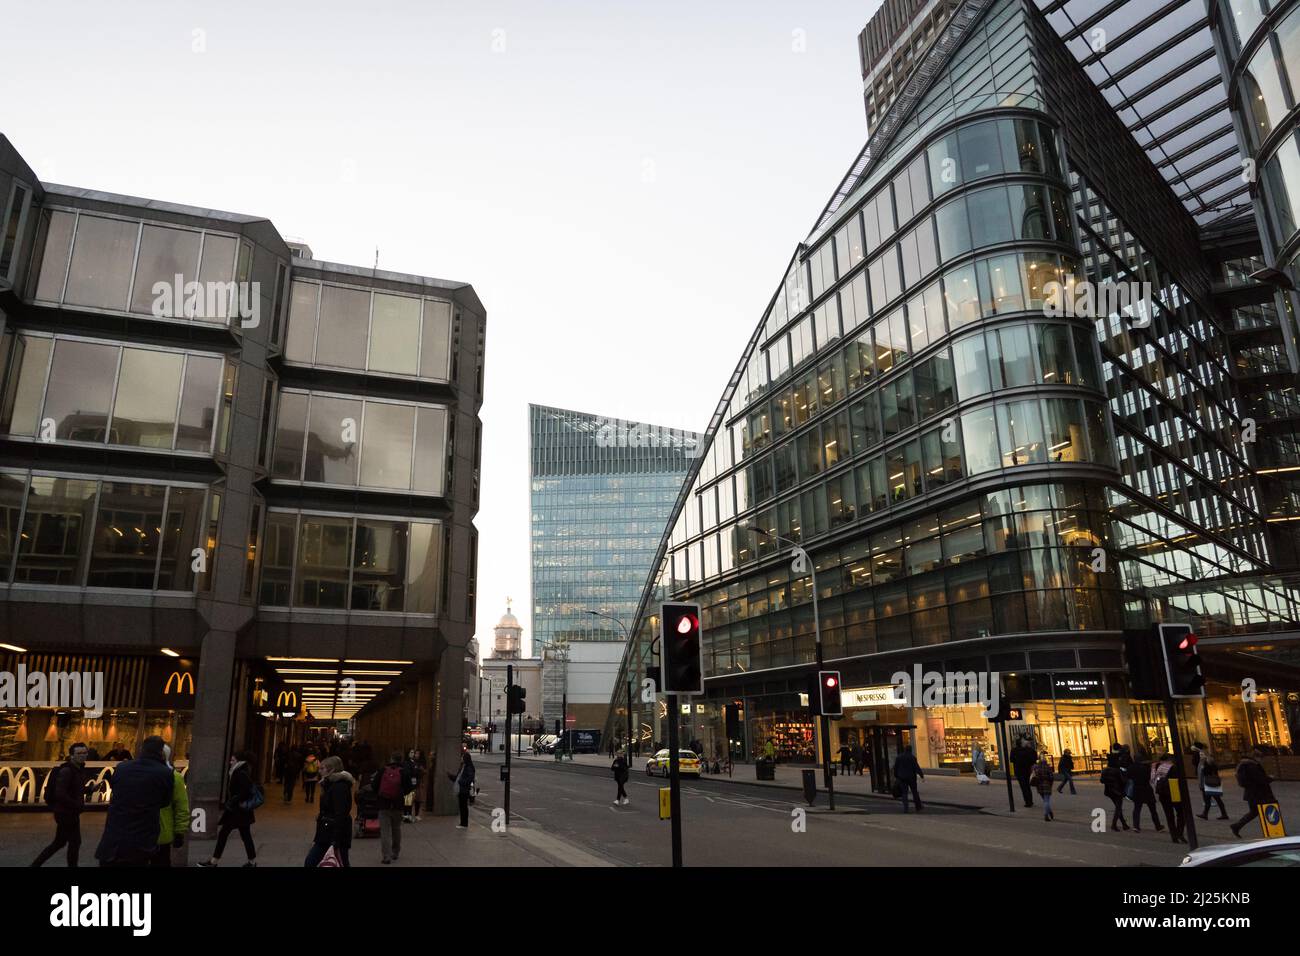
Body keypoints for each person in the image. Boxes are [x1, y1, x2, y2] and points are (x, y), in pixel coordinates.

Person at [94, 736, 174, 867]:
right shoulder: (164, 773)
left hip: (114, 835)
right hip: (142, 836)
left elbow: (115, 790)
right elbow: (165, 802)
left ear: (142, 749)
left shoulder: (122, 767)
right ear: (161, 752)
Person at [31, 742, 89, 867]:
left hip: (69, 812)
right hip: (66, 813)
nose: (83, 756)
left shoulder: (78, 769)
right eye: (79, 753)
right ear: (72, 755)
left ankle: (35, 865)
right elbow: (60, 794)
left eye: (85, 753)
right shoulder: (67, 771)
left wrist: (90, 789)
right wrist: (76, 805)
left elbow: (75, 789)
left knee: (60, 842)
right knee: (74, 842)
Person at [197, 751, 259, 867]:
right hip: (241, 812)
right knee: (245, 836)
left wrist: (233, 800)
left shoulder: (240, 773)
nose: (230, 762)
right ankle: (252, 862)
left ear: (239, 762)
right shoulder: (240, 771)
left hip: (237, 812)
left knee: (224, 834)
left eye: (233, 760)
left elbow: (245, 792)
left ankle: (214, 861)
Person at [305, 756, 354, 867]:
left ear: (332, 769)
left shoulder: (339, 787)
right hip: (328, 830)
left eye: (323, 768)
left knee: (311, 862)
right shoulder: (330, 784)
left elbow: (340, 813)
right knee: (342, 862)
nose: (319, 771)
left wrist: (335, 841)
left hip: (333, 833)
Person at [371, 751, 414, 864]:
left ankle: (386, 856)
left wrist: (381, 794)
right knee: (396, 829)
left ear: (391, 759)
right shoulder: (404, 772)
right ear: (401, 760)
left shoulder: (383, 770)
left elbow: (374, 785)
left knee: (385, 831)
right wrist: (400, 793)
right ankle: (395, 852)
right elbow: (409, 788)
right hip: (398, 805)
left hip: (383, 804)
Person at [152, 744, 189, 867]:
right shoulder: (174, 776)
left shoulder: (173, 777)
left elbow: (181, 807)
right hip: (161, 831)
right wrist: (180, 832)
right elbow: (181, 807)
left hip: (157, 832)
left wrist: (179, 831)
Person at [1230, 747, 1278, 838]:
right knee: (1267, 810)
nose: (1262, 760)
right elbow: (1260, 779)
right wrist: (1270, 778)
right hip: (1259, 794)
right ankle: (1274, 831)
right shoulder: (1252, 766)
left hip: (1251, 794)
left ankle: (1237, 826)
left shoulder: (1244, 764)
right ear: (1257, 757)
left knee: (1254, 812)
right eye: (1261, 758)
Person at [1151, 752, 1186, 844]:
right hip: (1174, 792)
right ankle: (1179, 833)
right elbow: (1178, 780)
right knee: (1181, 813)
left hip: (1162, 794)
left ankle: (1174, 835)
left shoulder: (1156, 767)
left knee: (1169, 816)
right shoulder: (1172, 767)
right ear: (1169, 759)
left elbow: (1153, 779)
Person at [1194, 745, 1229, 820]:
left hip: (1210, 783)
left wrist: (1205, 765)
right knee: (1211, 800)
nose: (1201, 756)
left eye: (1202, 755)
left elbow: (1209, 772)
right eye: (1200, 755)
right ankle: (1206, 814)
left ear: (1206, 755)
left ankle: (1220, 814)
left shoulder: (1208, 762)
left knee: (1214, 799)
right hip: (1206, 784)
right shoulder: (1202, 763)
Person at [1100, 754, 1129, 831]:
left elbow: (1102, 780)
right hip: (1117, 791)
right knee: (1118, 808)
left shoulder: (1105, 770)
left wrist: (1109, 782)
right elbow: (1123, 781)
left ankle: (1124, 824)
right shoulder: (1117, 771)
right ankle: (1114, 824)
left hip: (1109, 791)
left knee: (1118, 807)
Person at [449, 749, 477, 828]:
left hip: (464, 789)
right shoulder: (463, 766)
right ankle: (463, 822)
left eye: (462, 757)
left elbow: (469, 778)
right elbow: (458, 777)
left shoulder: (469, 767)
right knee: (462, 806)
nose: (461, 758)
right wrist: (451, 777)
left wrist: (461, 782)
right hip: (461, 789)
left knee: (464, 806)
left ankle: (464, 823)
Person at [892, 745, 924, 813]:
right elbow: (916, 767)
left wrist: (896, 775)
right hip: (911, 777)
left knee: (904, 793)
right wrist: (921, 775)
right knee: (914, 792)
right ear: (910, 750)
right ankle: (918, 806)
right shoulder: (912, 757)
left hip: (902, 778)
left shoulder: (899, 757)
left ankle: (906, 808)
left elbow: (896, 767)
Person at [1009, 738, 1036, 808]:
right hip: (1027, 770)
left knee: (1023, 787)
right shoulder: (1028, 750)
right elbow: (1034, 757)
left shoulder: (1014, 750)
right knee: (1027, 785)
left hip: (1019, 771)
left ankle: (1027, 802)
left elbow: (1011, 760)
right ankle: (1030, 800)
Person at [1031, 752, 1056, 821]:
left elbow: (1033, 775)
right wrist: (1051, 784)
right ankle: (1046, 814)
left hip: (1039, 785)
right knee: (1046, 800)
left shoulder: (1035, 767)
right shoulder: (1047, 767)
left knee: (1045, 800)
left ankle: (1049, 812)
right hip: (1046, 784)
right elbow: (1051, 777)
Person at [403, 749, 426, 822]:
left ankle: (410, 815)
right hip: (408, 784)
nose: (413, 754)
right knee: (408, 800)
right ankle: (406, 815)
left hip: (415, 783)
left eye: (413, 752)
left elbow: (419, 772)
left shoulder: (415, 763)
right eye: (412, 752)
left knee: (415, 799)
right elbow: (410, 772)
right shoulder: (406, 763)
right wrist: (415, 771)